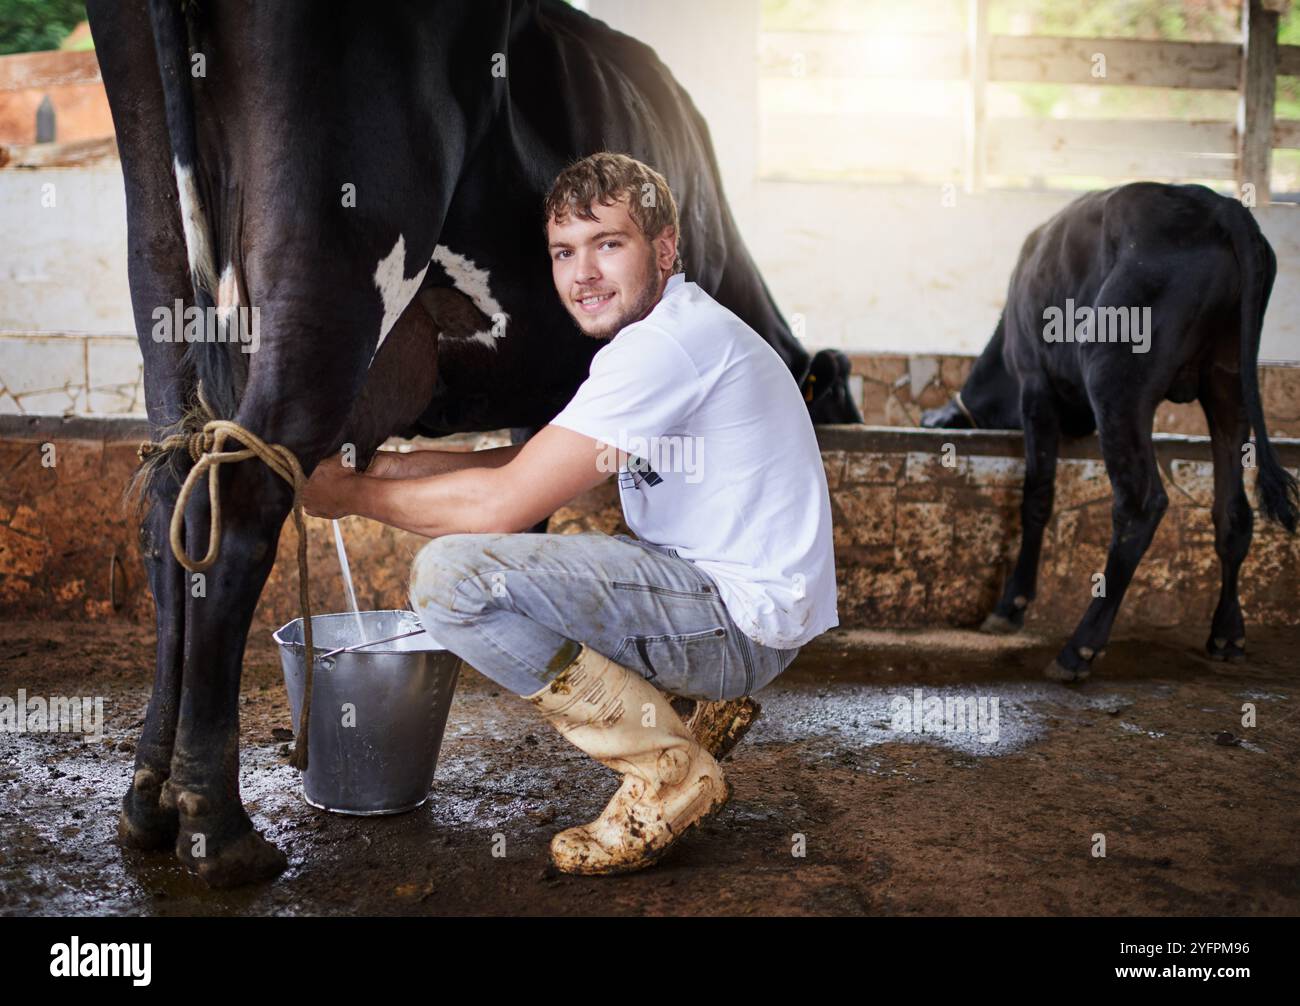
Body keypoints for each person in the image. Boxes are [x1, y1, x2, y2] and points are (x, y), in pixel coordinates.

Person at [302, 151, 838, 875]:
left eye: (608, 244)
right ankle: (694, 715)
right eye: (564, 252)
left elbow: (502, 504)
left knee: (452, 578)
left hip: (737, 623)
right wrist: (377, 466)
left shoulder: (665, 349)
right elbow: (523, 467)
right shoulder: (668, 334)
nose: (582, 274)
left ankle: (668, 765)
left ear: (665, 249)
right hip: (737, 601)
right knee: (536, 553)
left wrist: (353, 498)